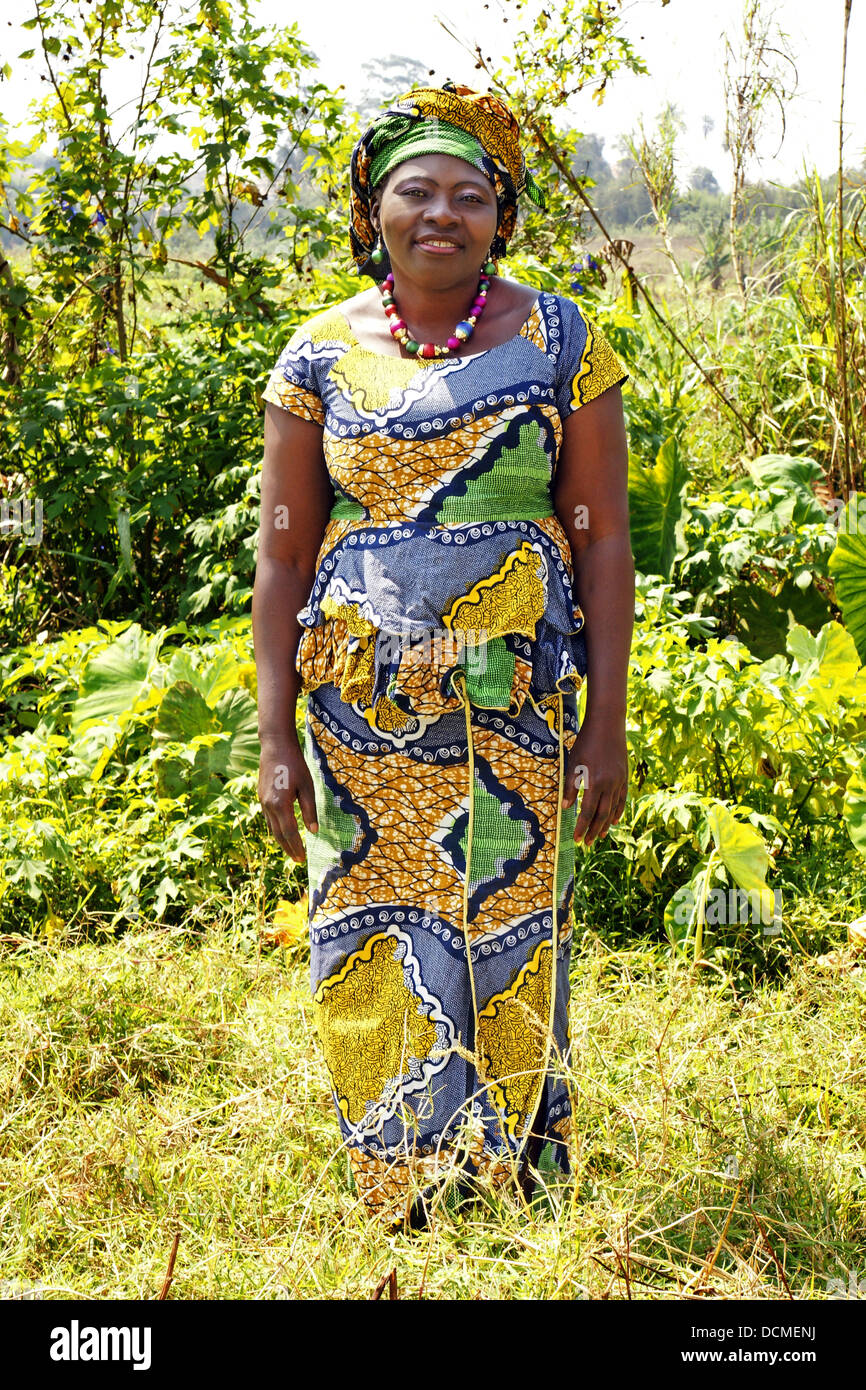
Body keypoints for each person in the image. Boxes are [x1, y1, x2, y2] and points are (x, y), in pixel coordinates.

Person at [253, 83, 633, 1230]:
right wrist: (273, 733)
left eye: (470, 195)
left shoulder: (565, 340)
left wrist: (606, 724)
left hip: (515, 698)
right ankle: (401, 1187)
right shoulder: (316, 354)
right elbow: (282, 550)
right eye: (415, 190)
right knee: (371, 932)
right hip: (358, 707)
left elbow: (602, 538)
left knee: (512, 934)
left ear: (501, 218)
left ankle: (514, 1178)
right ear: (372, 211)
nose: (442, 213)